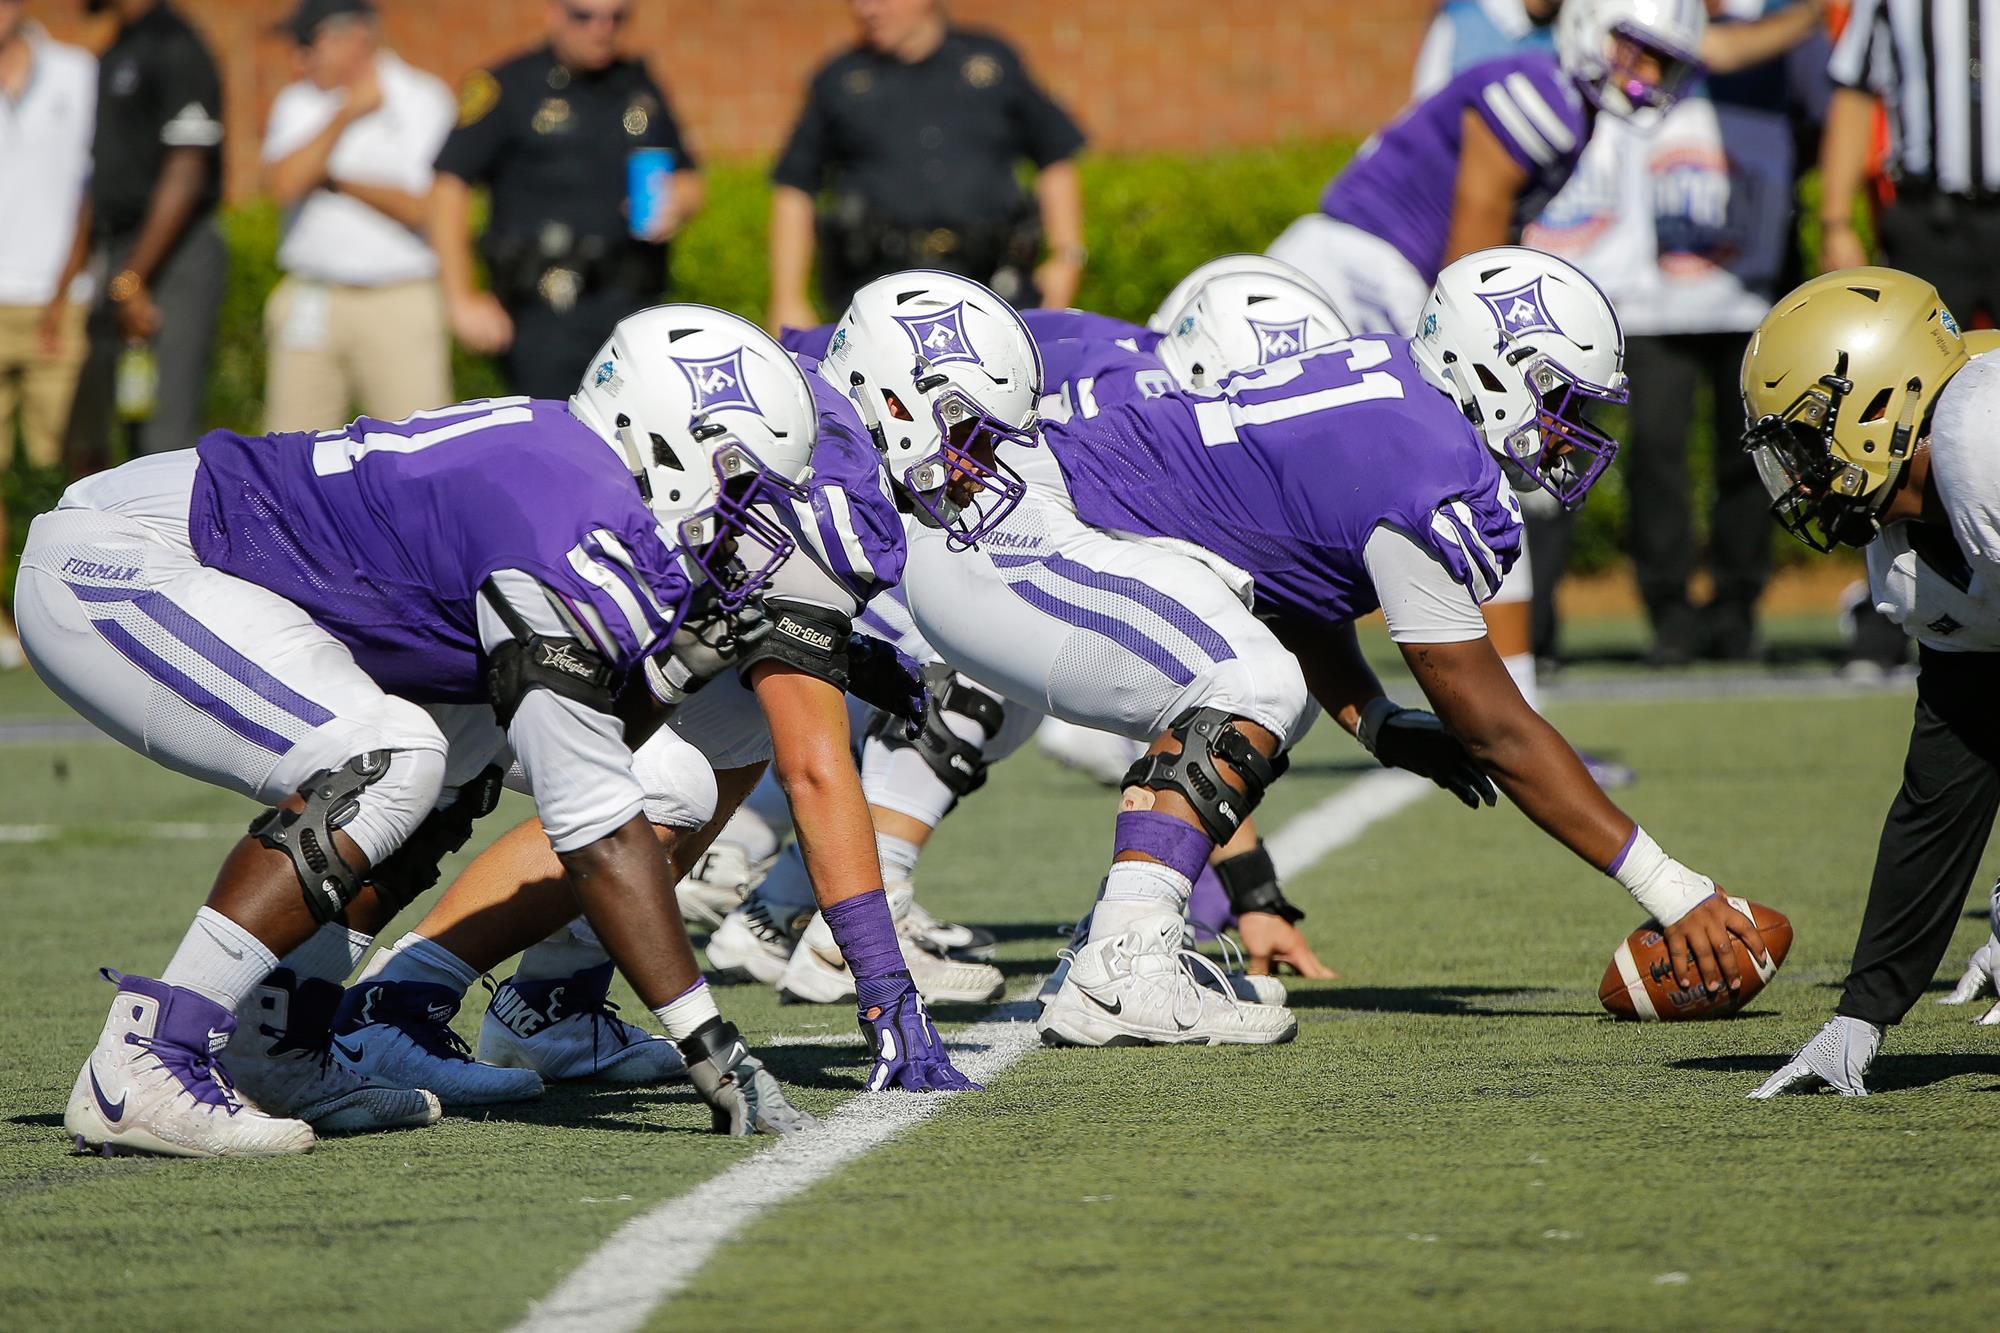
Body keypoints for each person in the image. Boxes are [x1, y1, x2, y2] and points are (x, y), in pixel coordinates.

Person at [837, 258, 1768, 1048]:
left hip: (1017, 519)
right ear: (1495, 369)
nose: (1570, 427)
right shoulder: (1431, 464)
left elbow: (1284, 575)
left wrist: (1378, 721)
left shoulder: (1394, 388)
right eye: (1559, 396)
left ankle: (1122, 943)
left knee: (1248, 673)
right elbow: (1495, 727)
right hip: (1008, 529)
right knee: (1251, 682)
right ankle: (1122, 965)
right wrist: (1674, 890)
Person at [14, 303, 821, 1156]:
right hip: (122, 558)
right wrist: (708, 1041)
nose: (750, 521)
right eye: (743, 484)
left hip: (185, 555)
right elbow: (594, 827)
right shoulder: (558, 516)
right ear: (664, 442)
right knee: (391, 756)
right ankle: (148, 1055)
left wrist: (668, 673)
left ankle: (277, 1044)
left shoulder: (574, 471)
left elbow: (583, 744)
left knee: (466, 752)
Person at [1268, 0, 1709, 787]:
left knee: (1469, 479)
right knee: (1480, 473)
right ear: (1591, 24)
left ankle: (1514, 722)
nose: (1644, 74)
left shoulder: (1564, 104)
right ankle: (1516, 732)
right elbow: (1474, 249)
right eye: (1633, 48)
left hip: (1357, 274)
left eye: (1661, 62)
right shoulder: (1543, 92)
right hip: (1354, 274)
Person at [1740, 270, 2000, 1097]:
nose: (1797, 477)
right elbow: (1946, 778)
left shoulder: (1982, 439)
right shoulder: (1906, 549)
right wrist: (1862, 1015)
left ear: (1882, 402)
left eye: (1803, 441)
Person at [1524, 0, 1832, 663]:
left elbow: (1817, 119)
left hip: (1747, 278)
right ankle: (1669, 613)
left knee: (1752, 453)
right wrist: (1812, 15)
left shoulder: (1779, 22)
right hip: (1650, 287)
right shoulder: (1663, 14)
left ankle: (1736, 607)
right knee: (1656, 453)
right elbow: (1709, 50)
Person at [1817, 0, 2000, 673]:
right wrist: (1835, 218)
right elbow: (1854, 88)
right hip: (1929, 217)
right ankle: (1895, 607)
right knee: (1888, 414)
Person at [430, 0, 704, 399]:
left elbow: (688, 176)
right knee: (555, 433)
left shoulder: (639, 85)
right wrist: (461, 298)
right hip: (545, 316)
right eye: (584, 15)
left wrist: (678, 199)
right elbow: (448, 186)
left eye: (616, 17)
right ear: (553, 13)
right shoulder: (509, 87)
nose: (601, 28)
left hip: (633, 307)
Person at [767, 0, 1086, 333]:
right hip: (877, 296)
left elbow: (1054, 157)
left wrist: (1066, 257)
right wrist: (788, 297)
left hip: (995, 289)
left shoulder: (991, 63)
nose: (866, 10)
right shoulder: (840, 79)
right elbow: (794, 188)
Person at [259, 0, 455, 431]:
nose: (298, 60)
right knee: (292, 450)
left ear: (357, 37)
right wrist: (345, 114)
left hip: (397, 299)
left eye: (308, 44)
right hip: (312, 294)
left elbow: (422, 206)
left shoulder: (422, 98)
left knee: (415, 448)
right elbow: (283, 185)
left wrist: (335, 179)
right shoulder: (298, 100)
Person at [57, 0, 224, 467]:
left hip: (172, 256)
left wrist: (134, 278)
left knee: (164, 440)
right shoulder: (117, 49)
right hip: (123, 257)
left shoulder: (175, 44)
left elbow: (188, 168)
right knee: (120, 430)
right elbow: (103, 178)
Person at [0, 2, 94, 670]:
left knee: (79, 469)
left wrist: (63, 292)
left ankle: (84, 618)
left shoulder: (78, 72)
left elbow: (95, 190)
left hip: (64, 304)